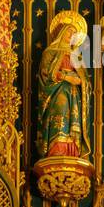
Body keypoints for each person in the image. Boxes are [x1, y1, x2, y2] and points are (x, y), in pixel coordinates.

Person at [35, 14, 90, 159]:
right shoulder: (50, 52)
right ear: (62, 32)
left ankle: (72, 152)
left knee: (74, 119)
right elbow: (46, 72)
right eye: (69, 31)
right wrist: (66, 77)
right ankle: (56, 151)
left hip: (74, 93)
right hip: (57, 91)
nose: (71, 35)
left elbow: (85, 78)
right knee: (61, 109)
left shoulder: (77, 55)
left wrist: (80, 81)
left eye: (74, 33)